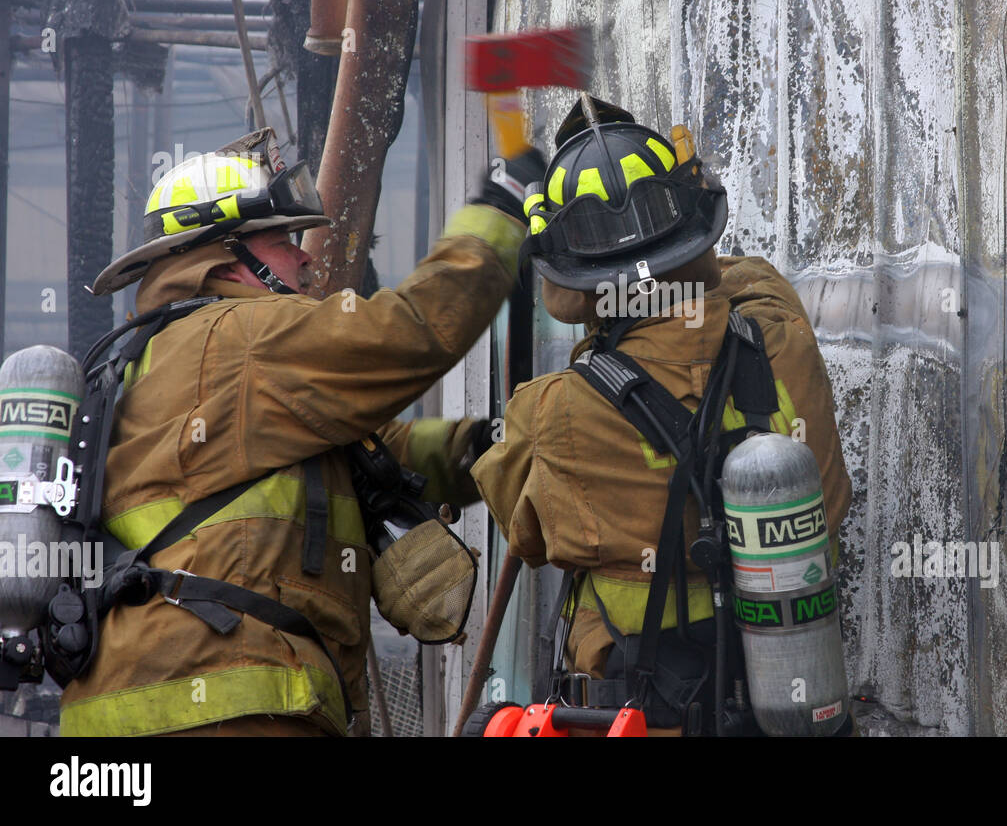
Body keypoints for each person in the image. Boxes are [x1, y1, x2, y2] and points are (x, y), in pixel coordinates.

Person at [58, 127, 543, 736]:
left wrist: (487, 446)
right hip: (227, 695)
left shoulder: (150, 360)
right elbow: (409, 334)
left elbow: (364, 454)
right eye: (284, 239)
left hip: (118, 712)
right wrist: (497, 212)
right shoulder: (244, 333)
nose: (307, 255)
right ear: (228, 255)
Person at [472, 98, 852, 735]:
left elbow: (526, 533)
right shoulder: (777, 329)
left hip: (647, 717)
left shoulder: (554, 411)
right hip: (786, 709)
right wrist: (674, 218)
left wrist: (583, 269)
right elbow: (733, 274)